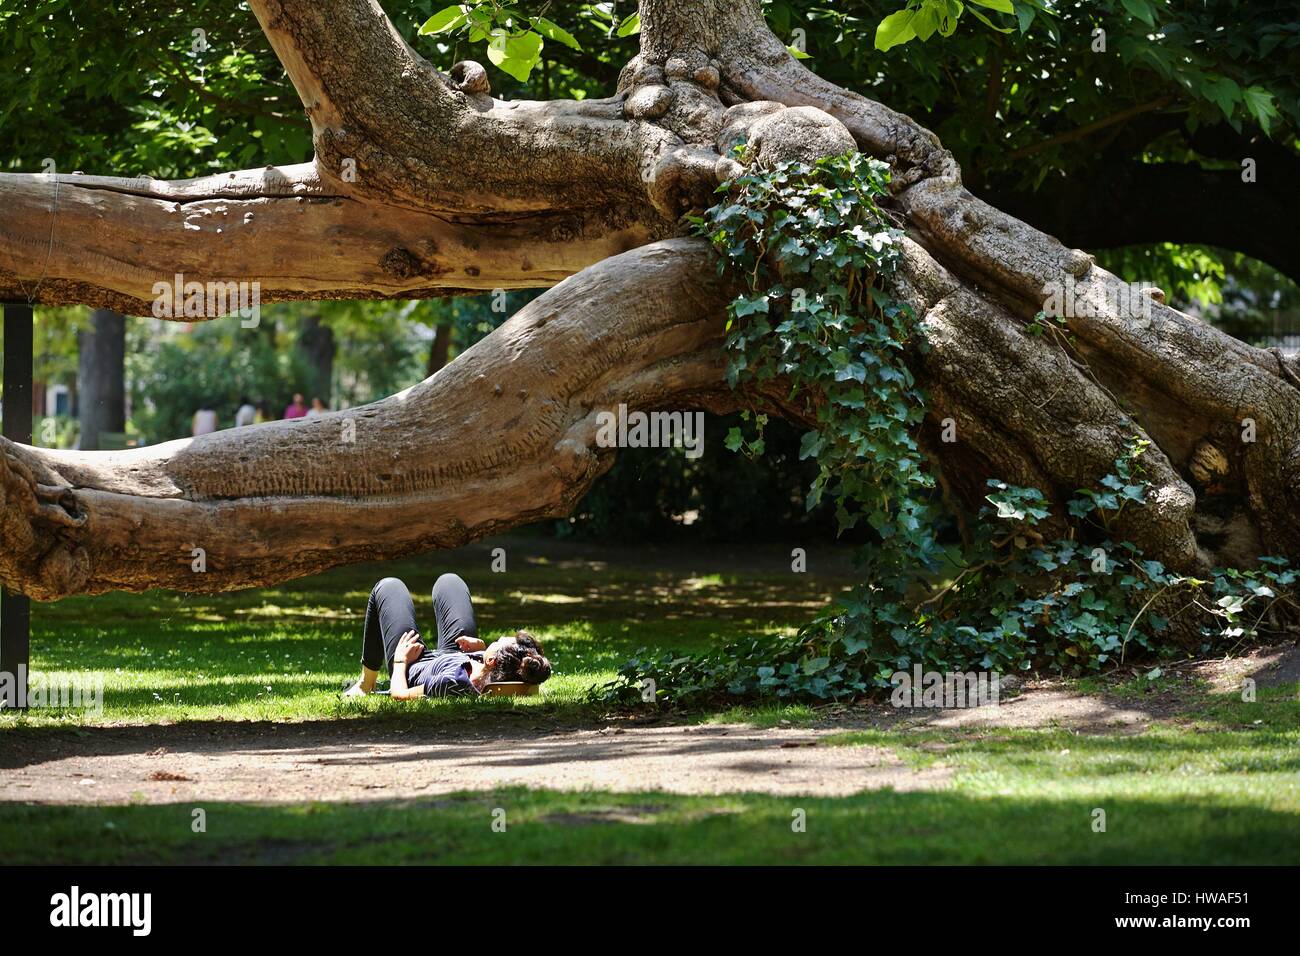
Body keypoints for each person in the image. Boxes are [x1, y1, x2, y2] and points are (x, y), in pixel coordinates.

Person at [344, 574, 551, 699]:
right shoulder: (495, 669)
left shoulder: (454, 683)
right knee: (450, 582)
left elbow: (400, 695)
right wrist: (480, 649)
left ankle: (366, 683)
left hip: (414, 663)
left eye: (496, 643)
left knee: (389, 587)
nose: (494, 641)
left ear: (492, 660)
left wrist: (400, 661)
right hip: (458, 654)